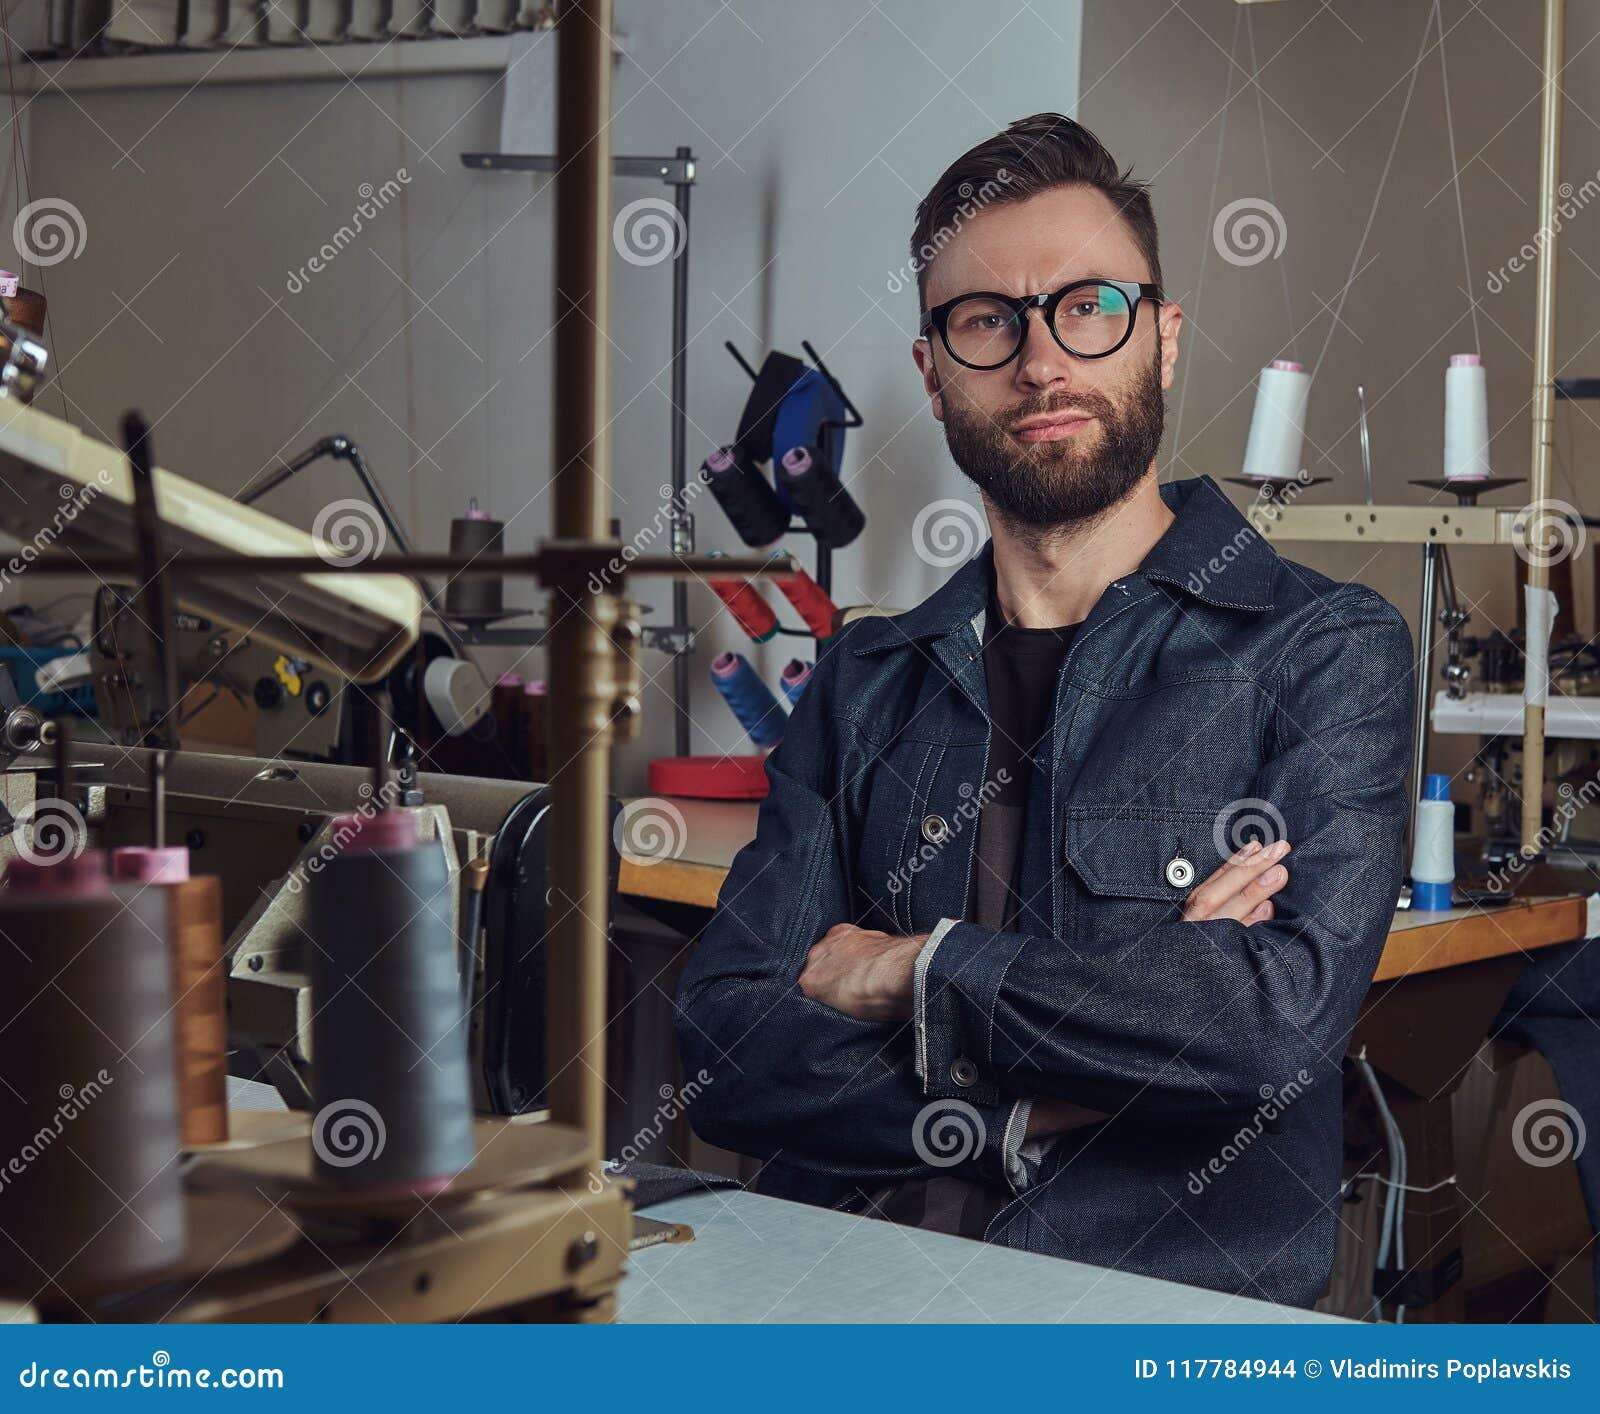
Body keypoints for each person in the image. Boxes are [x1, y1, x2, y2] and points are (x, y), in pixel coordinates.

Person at [674, 113, 1414, 1309]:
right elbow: (721, 1047)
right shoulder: (865, 680)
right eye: (986, 321)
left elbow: (1265, 1037)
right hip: (852, 1298)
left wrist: (922, 968)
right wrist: (1023, 1103)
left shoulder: (1323, 653)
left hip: (1155, 1327)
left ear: (1161, 340)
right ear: (932, 369)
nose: (1040, 361)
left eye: (1087, 307)